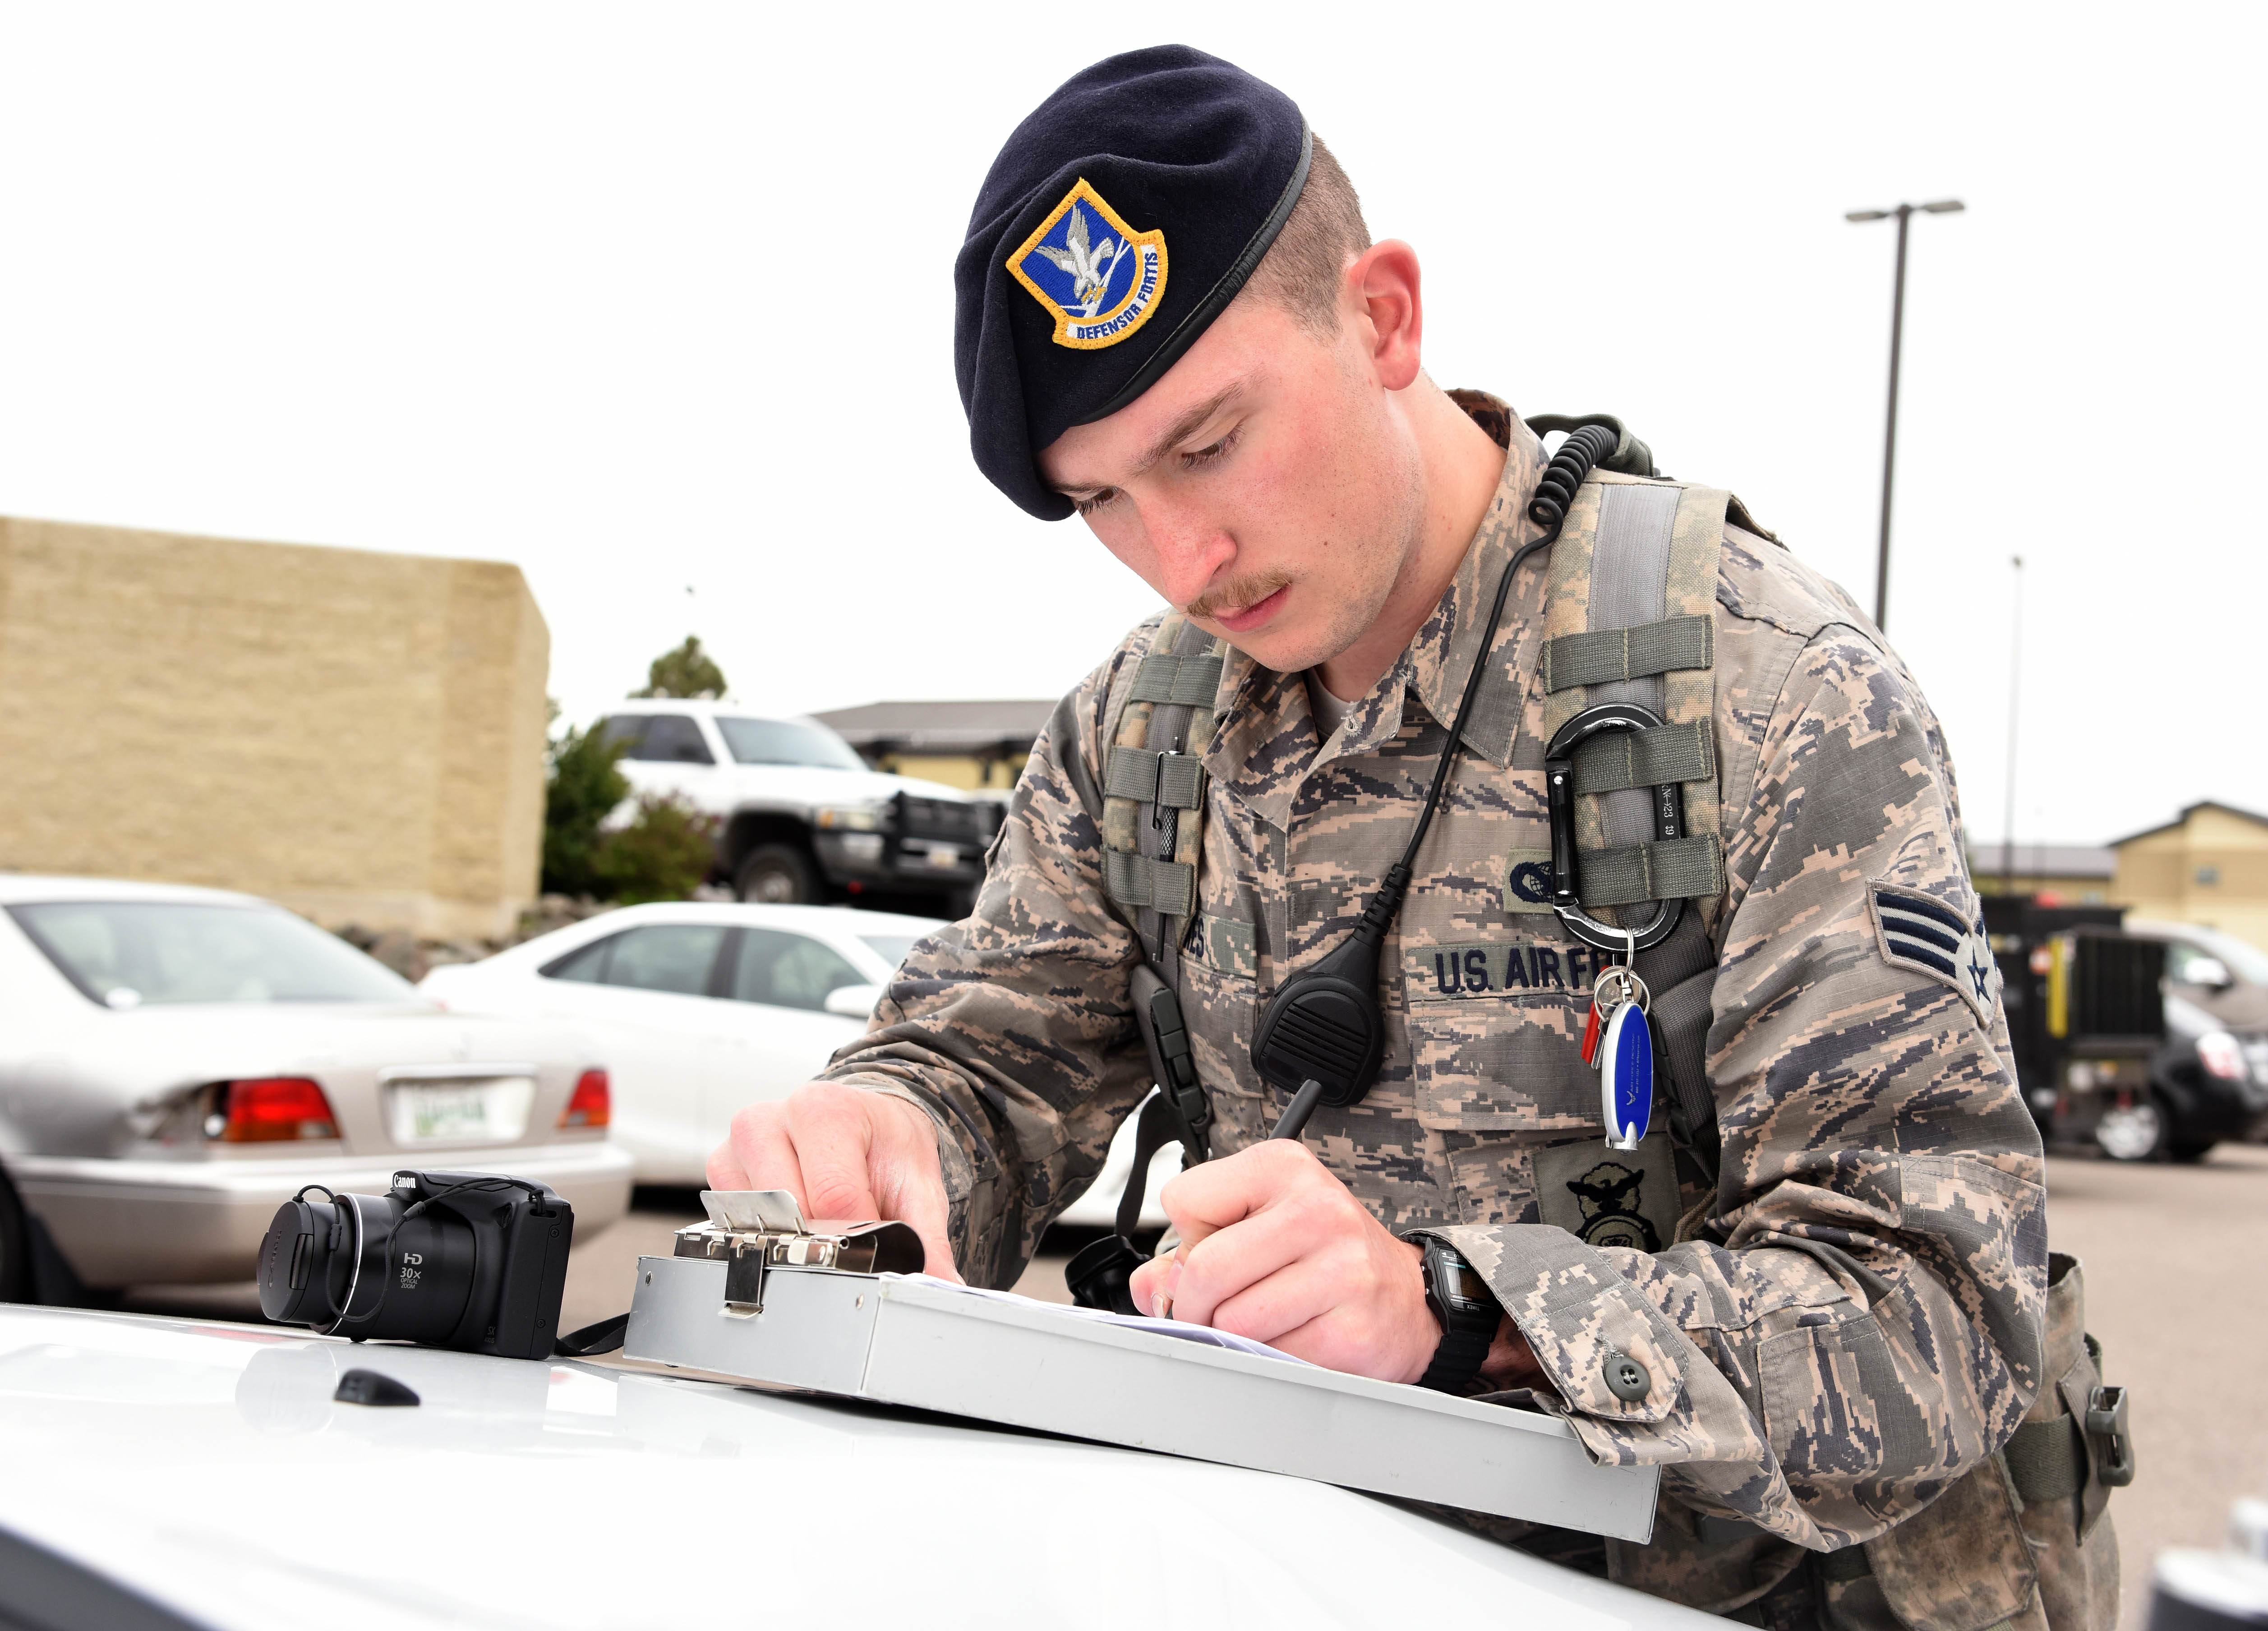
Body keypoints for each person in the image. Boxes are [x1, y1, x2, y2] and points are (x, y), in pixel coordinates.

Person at [712, 46, 2116, 1630]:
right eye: (1100, 499)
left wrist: (1466, 1308)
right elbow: (990, 1063)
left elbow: (1932, 1318)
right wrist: (886, 1135)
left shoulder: (1769, 694)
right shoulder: (1137, 733)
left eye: (1207, 442)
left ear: (1382, 316)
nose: (1181, 558)